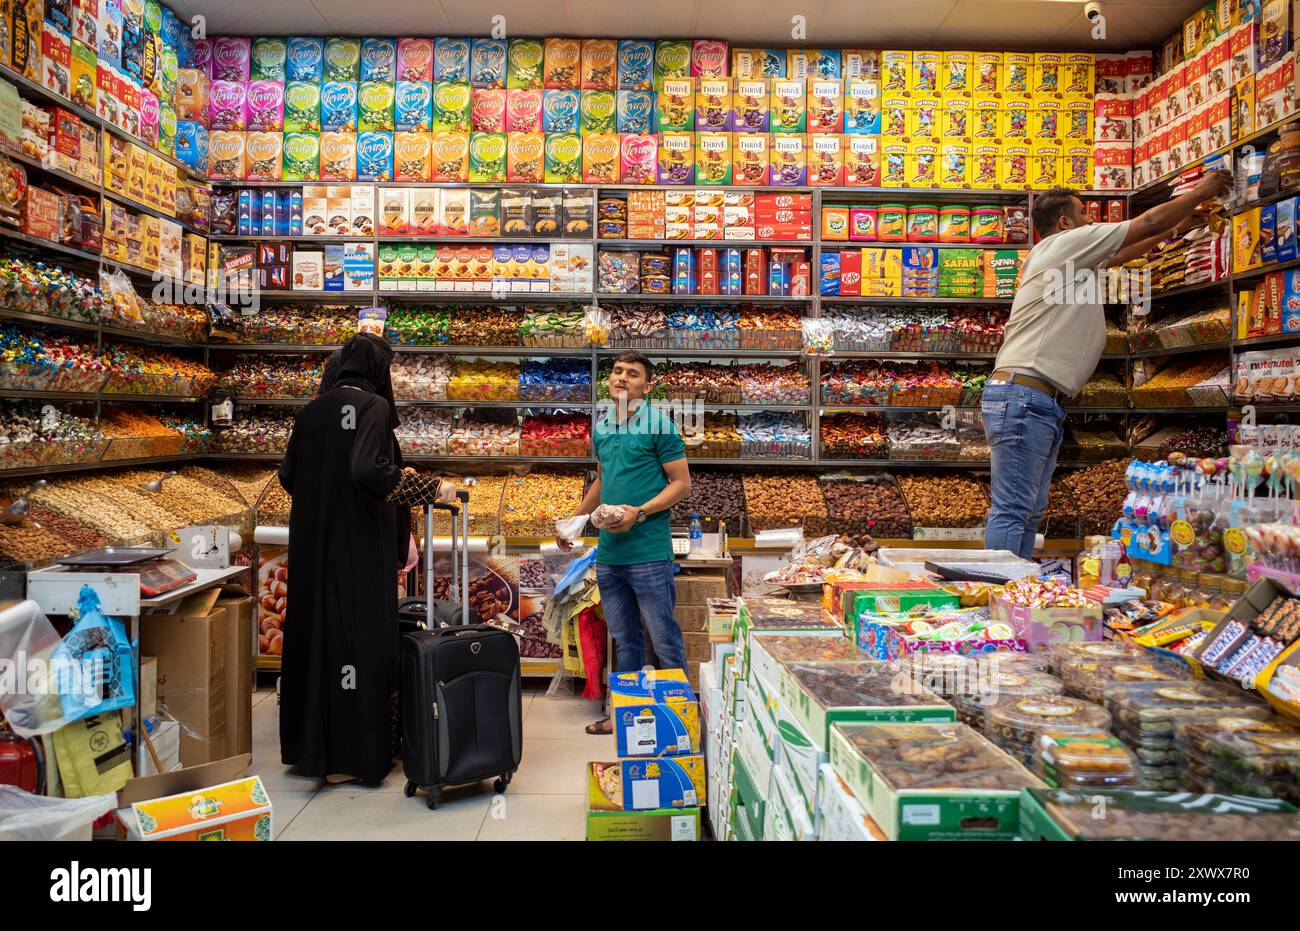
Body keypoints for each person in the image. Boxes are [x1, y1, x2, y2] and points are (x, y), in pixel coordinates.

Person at [983, 172, 1232, 558]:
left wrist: (1178, 227)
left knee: (1028, 511)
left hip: (1033, 399)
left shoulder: (1066, 260)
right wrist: (1201, 191)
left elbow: (1124, 252)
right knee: (1014, 510)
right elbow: (1147, 222)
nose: (1090, 222)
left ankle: (1014, 592)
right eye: (1084, 214)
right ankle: (998, 596)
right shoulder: (1065, 243)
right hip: (1024, 398)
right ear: (1065, 222)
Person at [278, 332, 457, 785]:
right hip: (357, 545)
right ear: (380, 371)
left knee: (316, 638)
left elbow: (289, 476)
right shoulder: (373, 407)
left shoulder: (312, 410)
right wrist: (429, 488)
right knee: (358, 638)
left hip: (313, 547)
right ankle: (359, 754)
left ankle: (313, 751)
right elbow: (368, 471)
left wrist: (327, 493)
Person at [560, 352, 692, 735]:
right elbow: (603, 482)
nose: (621, 378)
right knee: (624, 640)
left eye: (632, 374)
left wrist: (640, 512)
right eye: (617, 372)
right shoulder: (602, 427)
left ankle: (679, 720)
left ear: (646, 386)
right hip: (609, 554)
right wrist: (577, 520)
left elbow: (682, 484)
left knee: (664, 638)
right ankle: (627, 719)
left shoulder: (660, 426)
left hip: (649, 552)